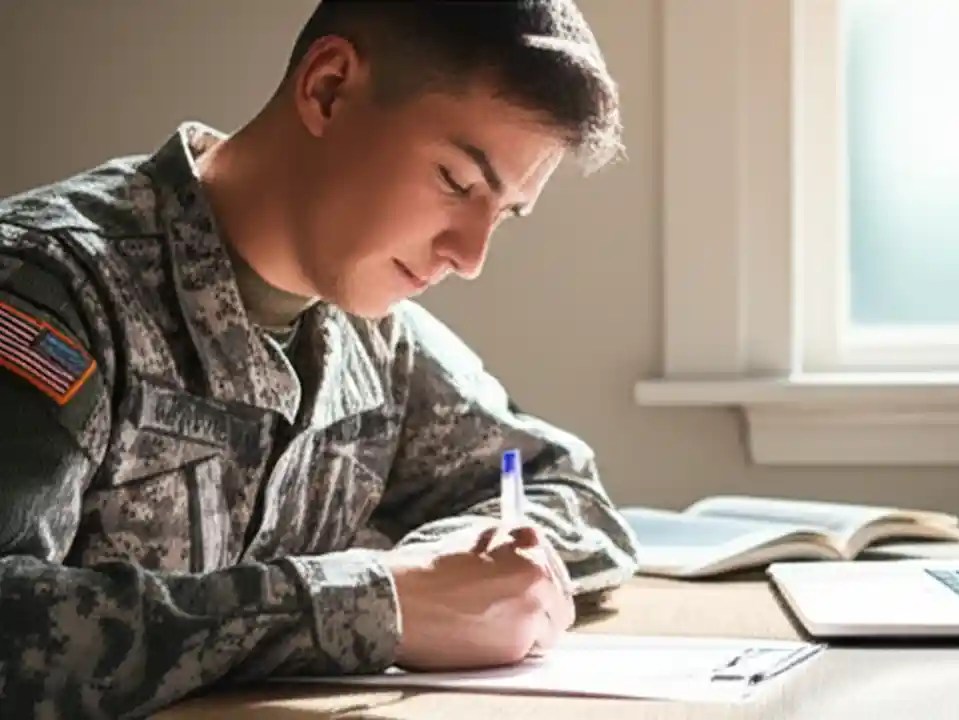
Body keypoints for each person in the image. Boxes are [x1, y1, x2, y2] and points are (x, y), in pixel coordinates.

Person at [0, 1, 638, 717]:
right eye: (457, 183)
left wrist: (457, 577)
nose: (470, 256)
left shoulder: (374, 336)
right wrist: (372, 602)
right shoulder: (47, 294)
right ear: (329, 88)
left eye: (505, 212)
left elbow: (563, 489)